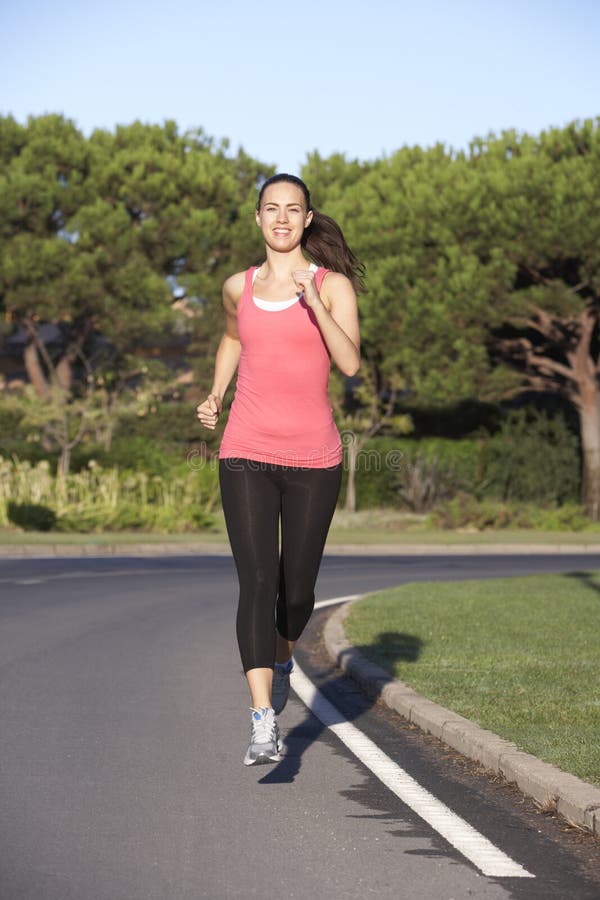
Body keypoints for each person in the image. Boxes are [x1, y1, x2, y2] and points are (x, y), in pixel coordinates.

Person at [196, 173, 363, 766]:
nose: (283, 219)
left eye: (294, 210)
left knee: (297, 590)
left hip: (315, 457)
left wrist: (314, 301)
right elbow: (231, 340)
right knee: (257, 580)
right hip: (244, 451)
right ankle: (262, 719)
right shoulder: (237, 287)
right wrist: (216, 393)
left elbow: (349, 363)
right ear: (258, 218)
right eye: (272, 209)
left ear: (309, 219)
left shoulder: (332, 284)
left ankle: (285, 654)